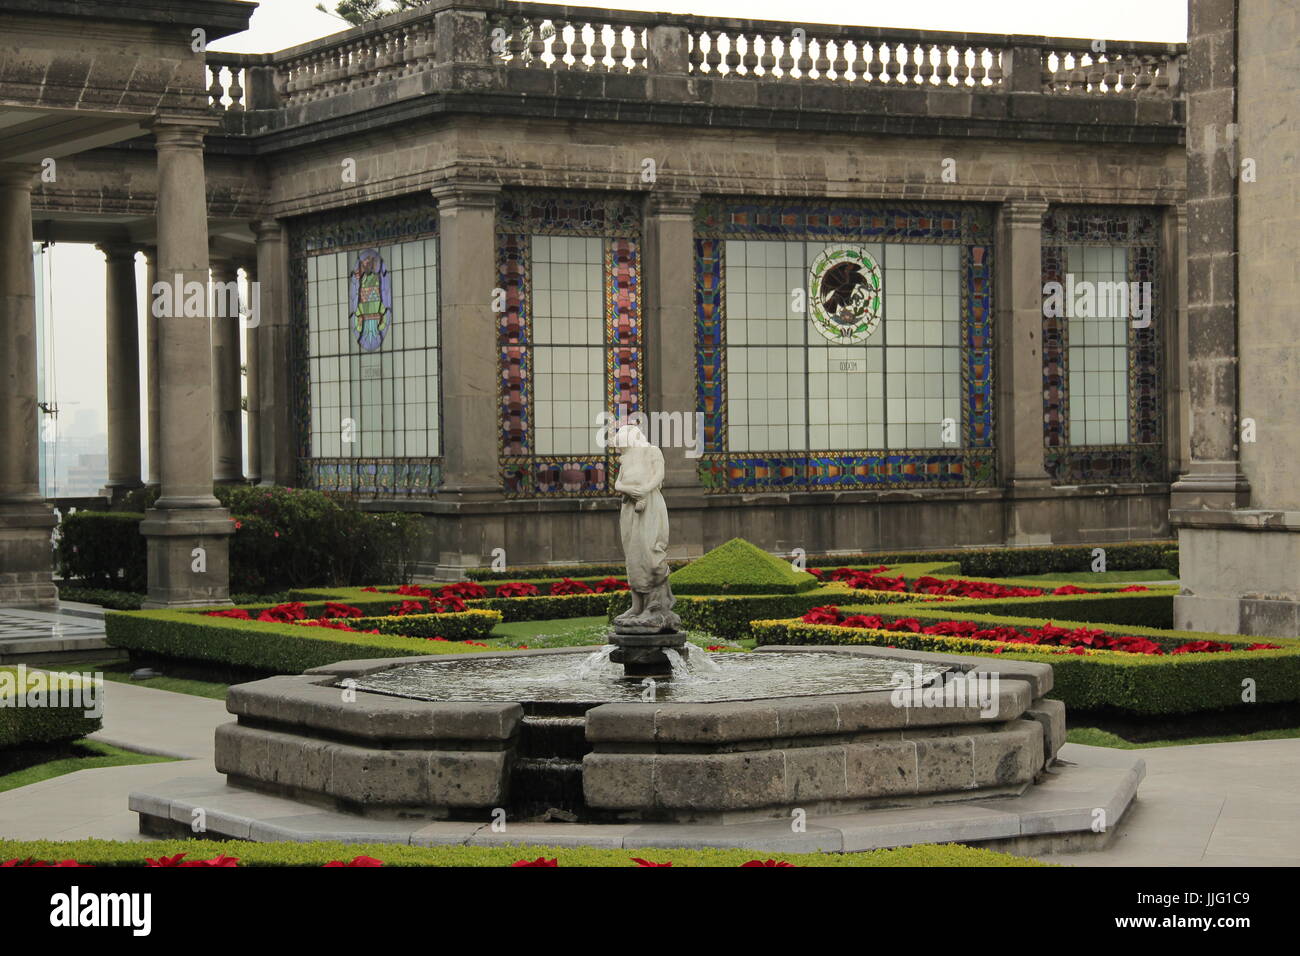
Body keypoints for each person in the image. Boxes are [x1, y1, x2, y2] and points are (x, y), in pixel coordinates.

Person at [609, 424, 681, 633]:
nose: (619, 448)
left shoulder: (652, 451)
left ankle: (656, 605)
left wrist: (643, 492)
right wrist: (630, 490)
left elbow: (658, 475)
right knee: (633, 556)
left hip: (649, 506)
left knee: (650, 554)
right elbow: (617, 484)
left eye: (621, 442)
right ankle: (637, 605)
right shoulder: (626, 458)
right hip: (630, 507)